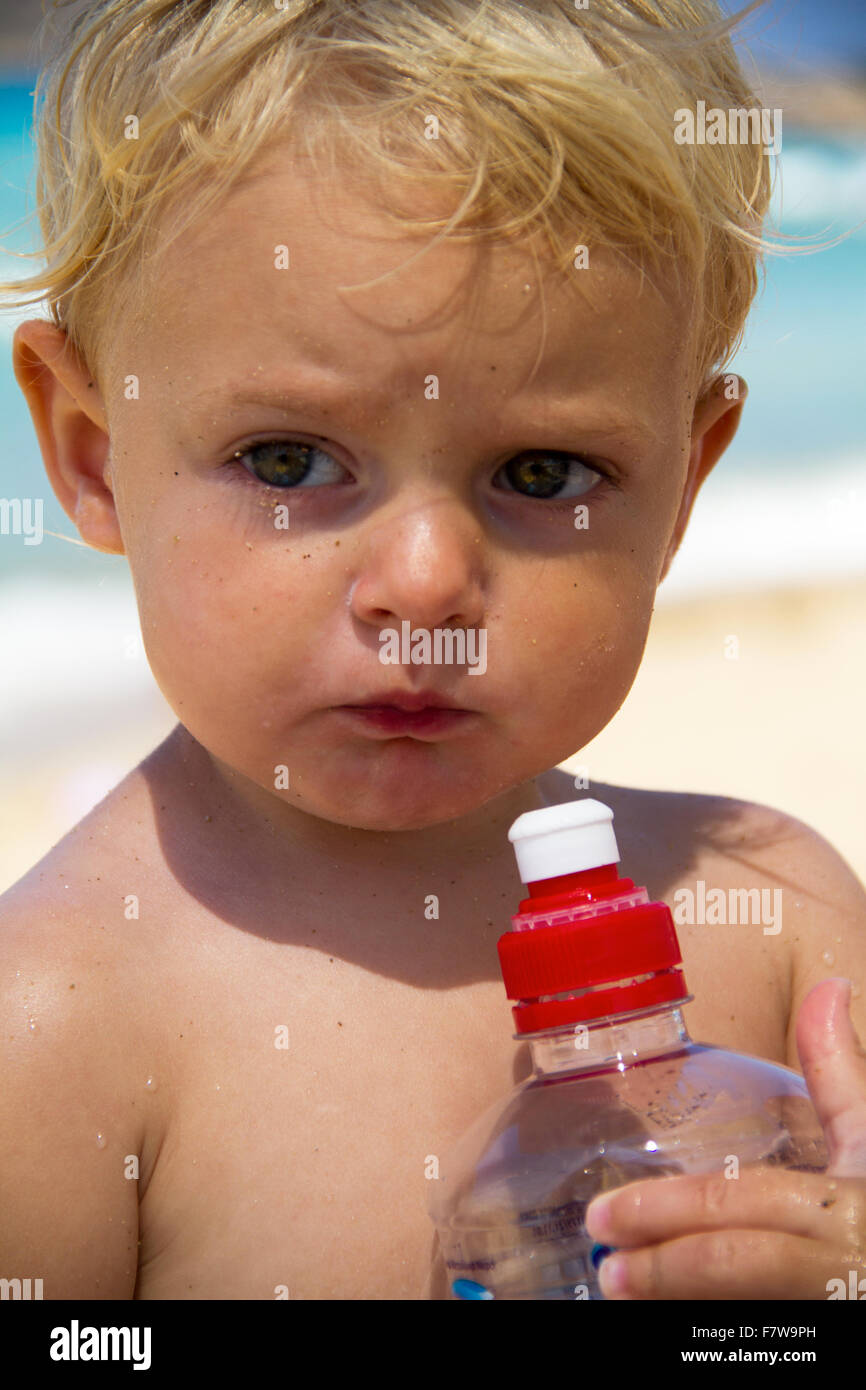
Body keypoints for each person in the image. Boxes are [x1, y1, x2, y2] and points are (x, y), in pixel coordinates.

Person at [1, 0, 864, 1300]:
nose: (422, 583)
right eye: (287, 460)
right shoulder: (53, 1029)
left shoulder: (782, 928)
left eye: (540, 469)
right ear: (88, 453)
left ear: (681, 490)